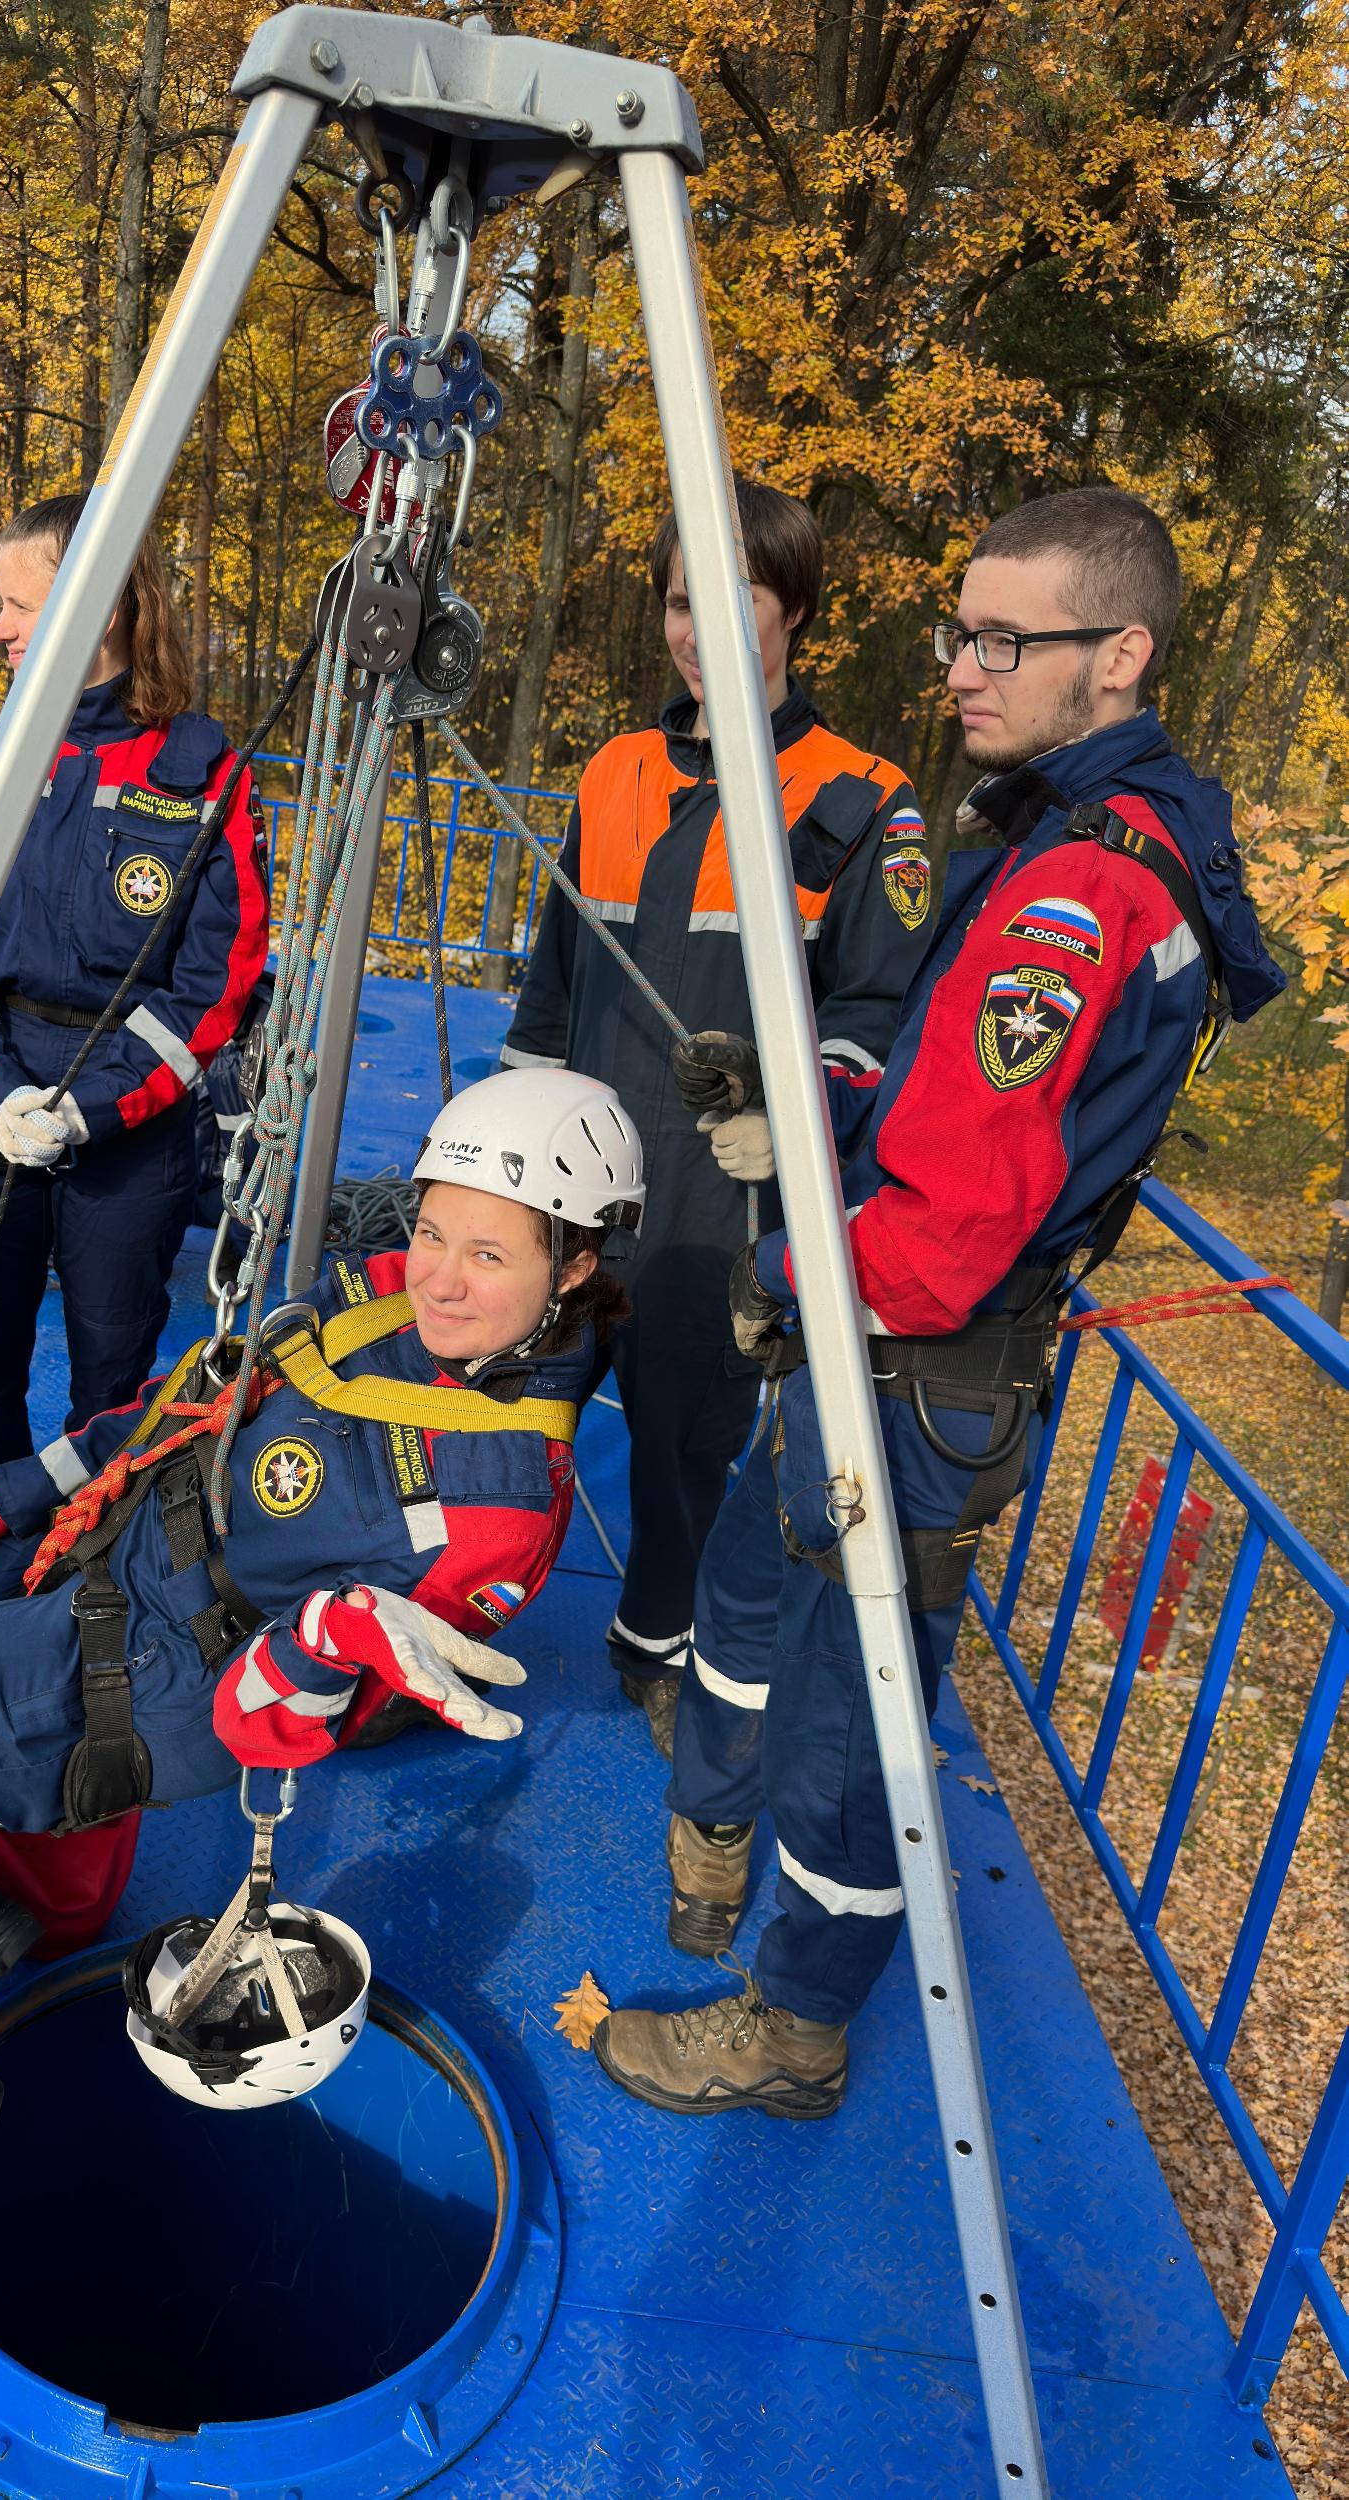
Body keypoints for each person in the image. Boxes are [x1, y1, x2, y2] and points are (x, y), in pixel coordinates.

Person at [0, 1070, 643, 2215]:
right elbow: (177, 1405)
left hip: (144, 1679)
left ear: (578, 1264)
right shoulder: (385, 1301)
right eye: (435, 1229)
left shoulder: (493, 1512)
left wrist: (321, 1646)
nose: (442, 1275)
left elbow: (257, 1729)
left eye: (490, 1256)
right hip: (102, 1538)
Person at [593, 485, 1285, 2120]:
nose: (964, 669)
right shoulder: (1067, 830)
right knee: (767, 1607)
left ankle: (795, 2022)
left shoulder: (1079, 891)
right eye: (958, 633)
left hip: (913, 1362)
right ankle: (715, 1829)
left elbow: (952, 1230)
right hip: (887, 1338)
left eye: (1003, 641)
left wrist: (775, 1272)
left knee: (856, 1714)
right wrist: (812, 1128)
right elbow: (942, 1104)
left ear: (1118, 654)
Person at [501, 484, 935, 1755]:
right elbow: (553, 983)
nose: (699, 631)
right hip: (580, 1177)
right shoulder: (618, 773)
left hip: (718, 1201)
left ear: (793, 607)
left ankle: (656, 1651)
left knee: (689, 1448)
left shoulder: (865, 802)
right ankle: (432, 1608)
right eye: (683, 601)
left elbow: (877, 1015)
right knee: (498, 1404)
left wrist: (786, 1104)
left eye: (732, 598)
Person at [0, 494, 269, 1495]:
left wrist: (92, 1109)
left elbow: (216, 982)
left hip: (128, 1127)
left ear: (101, 609)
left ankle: (85, 1568)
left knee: (112, 1364)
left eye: (20, 605)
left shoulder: (204, 776)